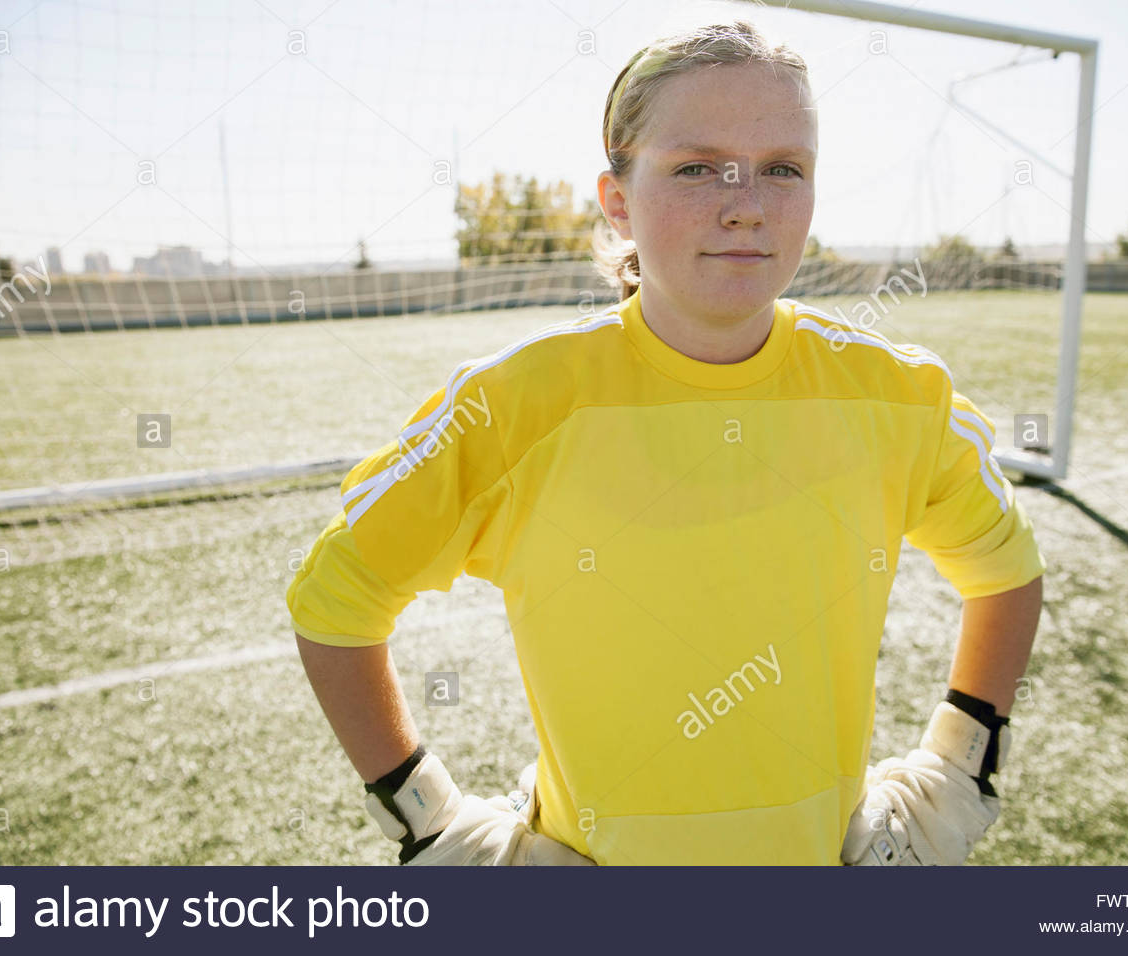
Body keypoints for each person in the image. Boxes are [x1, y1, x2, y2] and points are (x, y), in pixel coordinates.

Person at [286, 19, 1044, 866]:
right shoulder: (516, 404)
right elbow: (334, 603)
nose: (746, 203)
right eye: (696, 167)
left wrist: (958, 770)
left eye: (783, 168)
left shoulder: (901, 395)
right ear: (617, 201)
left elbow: (1007, 573)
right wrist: (429, 822)